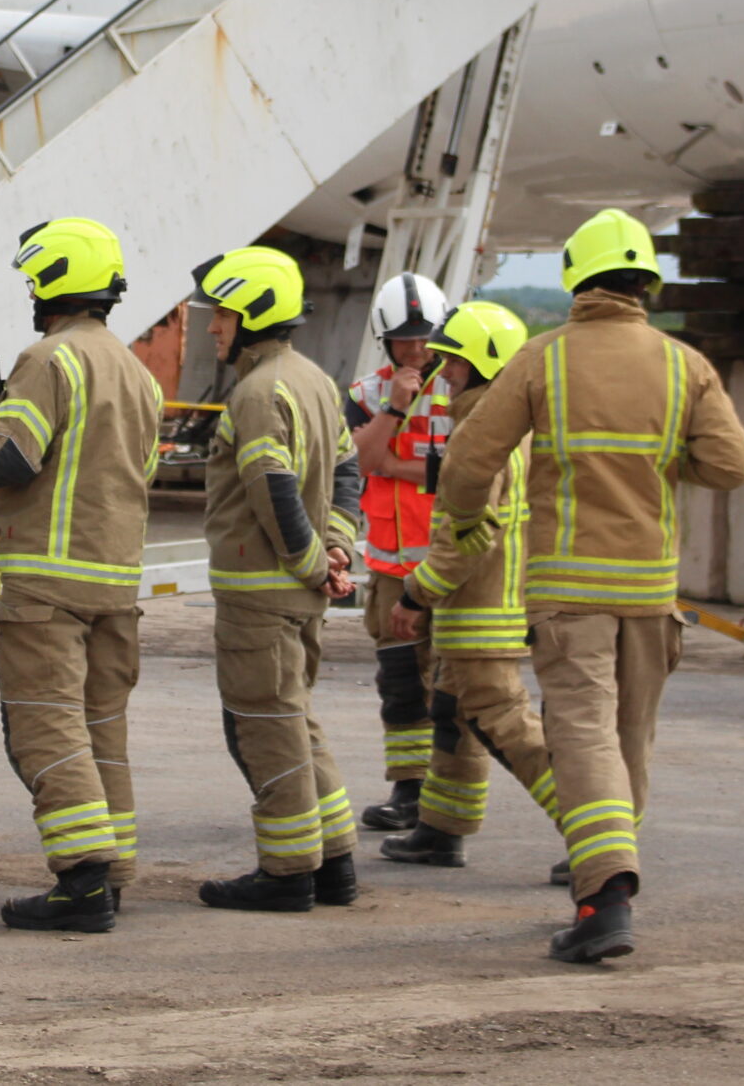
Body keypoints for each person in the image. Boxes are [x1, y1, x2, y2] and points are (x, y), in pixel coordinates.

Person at [435, 210, 744, 965]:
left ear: (575, 276)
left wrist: (468, 522)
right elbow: (733, 464)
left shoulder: (543, 359)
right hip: (651, 592)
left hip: (569, 591)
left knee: (580, 732)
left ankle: (604, 894)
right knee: (627, 740)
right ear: (647, 281)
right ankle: (603, 873)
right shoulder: (685, 364)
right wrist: (662, 466)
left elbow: (467, 462)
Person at [0, 217, 163, 932]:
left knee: (47, 728)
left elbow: (9, 459)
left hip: (47, 583)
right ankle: (115, 871)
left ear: (51, 281)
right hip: (115, 581)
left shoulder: (48, 359)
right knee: (103, 728)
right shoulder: (138, 371)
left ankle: (80, 879)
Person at [192, 245, 367, 914]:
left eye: (223, 313)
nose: (213, 326)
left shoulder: (258, 392)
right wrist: (337, 548)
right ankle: (336, 861)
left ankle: (289, 869)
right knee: (298, 722)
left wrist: (315, 562)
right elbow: (348, 472)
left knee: (265, 727)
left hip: (261, 596)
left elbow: (273, 488)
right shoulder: (318, 380)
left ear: (254, 314)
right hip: (298, 595)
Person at [379, 302, 562, 871]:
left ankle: (598, 836)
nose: (443, 373)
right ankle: (441, 828)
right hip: (483, 608)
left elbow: (467, 538)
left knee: (506, 726)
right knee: (454, 717)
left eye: (453, 362)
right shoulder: (501, 423)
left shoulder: (482, 431)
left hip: (482, 613)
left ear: (484, 363)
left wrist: (415, 595)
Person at [344, 272, 449, 833]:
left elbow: (466, 469)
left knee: (452, 686)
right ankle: (408, 791)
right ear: (385, 341)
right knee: (400, 683)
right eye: (404, 340)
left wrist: (401, 466)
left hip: (448, 563)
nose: (416, 350)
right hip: (389, 565)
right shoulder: (366, 394)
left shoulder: (462, 387)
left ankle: (447, 798)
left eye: (424, 337)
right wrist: (392, 410)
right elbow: (358, 462)